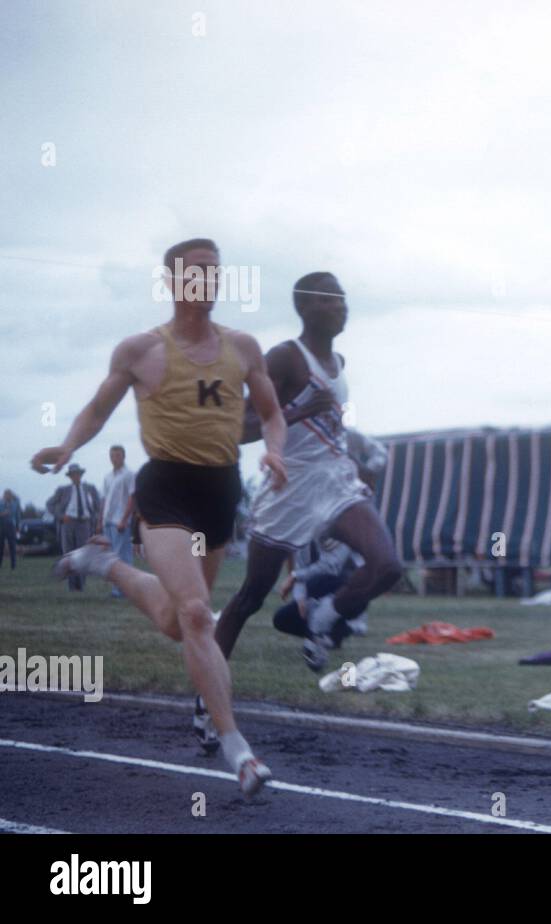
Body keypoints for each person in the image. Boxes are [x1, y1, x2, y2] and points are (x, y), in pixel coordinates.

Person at [30, 237, 289, 797]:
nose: (210, 280)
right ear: (172, 282)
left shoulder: (243, 348)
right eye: (197, 271)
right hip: (165, 488)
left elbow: (271, 413)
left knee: (178, 622)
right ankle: (237, 748)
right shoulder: (140, 350)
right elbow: (99, 409)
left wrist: (274, 450)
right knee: (199, 614)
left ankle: (105, 564)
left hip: (219, 494)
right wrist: (68, 446)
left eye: (216, 271)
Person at [212, 272, 401, 687]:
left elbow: (330, 427)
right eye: (327, 300)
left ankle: (324, 618)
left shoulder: (341, 364)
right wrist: (297, 410)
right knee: (250, 598)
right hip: (289, 487)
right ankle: (207, 698)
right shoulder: (285, 358)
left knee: (388, 567)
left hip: (335, 483)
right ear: (304, 308)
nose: (339, 306)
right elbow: (240, 429)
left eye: (342, 298)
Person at [45, 463, 101, 591]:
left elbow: (99, 507)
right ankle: (72, 586)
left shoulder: (90, 489)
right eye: (73, 474)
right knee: (69, 554)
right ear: (70, 476)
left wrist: (96, 519)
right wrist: (60, 516)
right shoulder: (63, 490)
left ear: (81, 475)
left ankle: (81, 585)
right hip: (68, 523)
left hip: (85, 523)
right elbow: (49, 504)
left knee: (83, 554)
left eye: (77, 474)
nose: (75, 476)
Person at [99, 444, 136, 598]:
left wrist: (124, 519)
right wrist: (99, 520)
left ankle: (126, 590)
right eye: (112, 456)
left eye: (118, 455)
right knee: (112, 557)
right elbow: (104, 499)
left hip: (120, 521)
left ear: (124, 456)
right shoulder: (108, 477)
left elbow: (132, 497)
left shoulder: (129, 474)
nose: (115, 458)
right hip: (108, 521)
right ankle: (117, 589)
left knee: (122, 556)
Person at [0, 490, 20, 571]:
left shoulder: (15, 504)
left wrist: (18, 527)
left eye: (9, 495)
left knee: (12, 546)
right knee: (0, 546)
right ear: (4, 495)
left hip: (11, 526)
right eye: (6, 495)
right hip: (1, 526)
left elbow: (17, 516)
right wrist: (3, 514)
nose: (8, 496)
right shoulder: (0, 504)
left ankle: (13, 565)